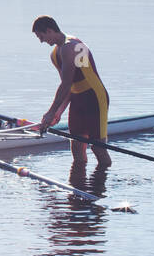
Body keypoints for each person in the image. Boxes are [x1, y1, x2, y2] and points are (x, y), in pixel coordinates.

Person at [31, 15, 110, 168]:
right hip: (77, 98)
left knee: (98, 148)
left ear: (49, 30)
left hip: (95, 98)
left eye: (41, 36)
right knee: (76, 146)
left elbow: (66, 84)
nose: (41, 41)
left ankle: (100, 187)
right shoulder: (55, 54)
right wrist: (58, 112)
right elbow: (68, 86)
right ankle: (78, 188)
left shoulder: (71, 46)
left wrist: (50, 112)